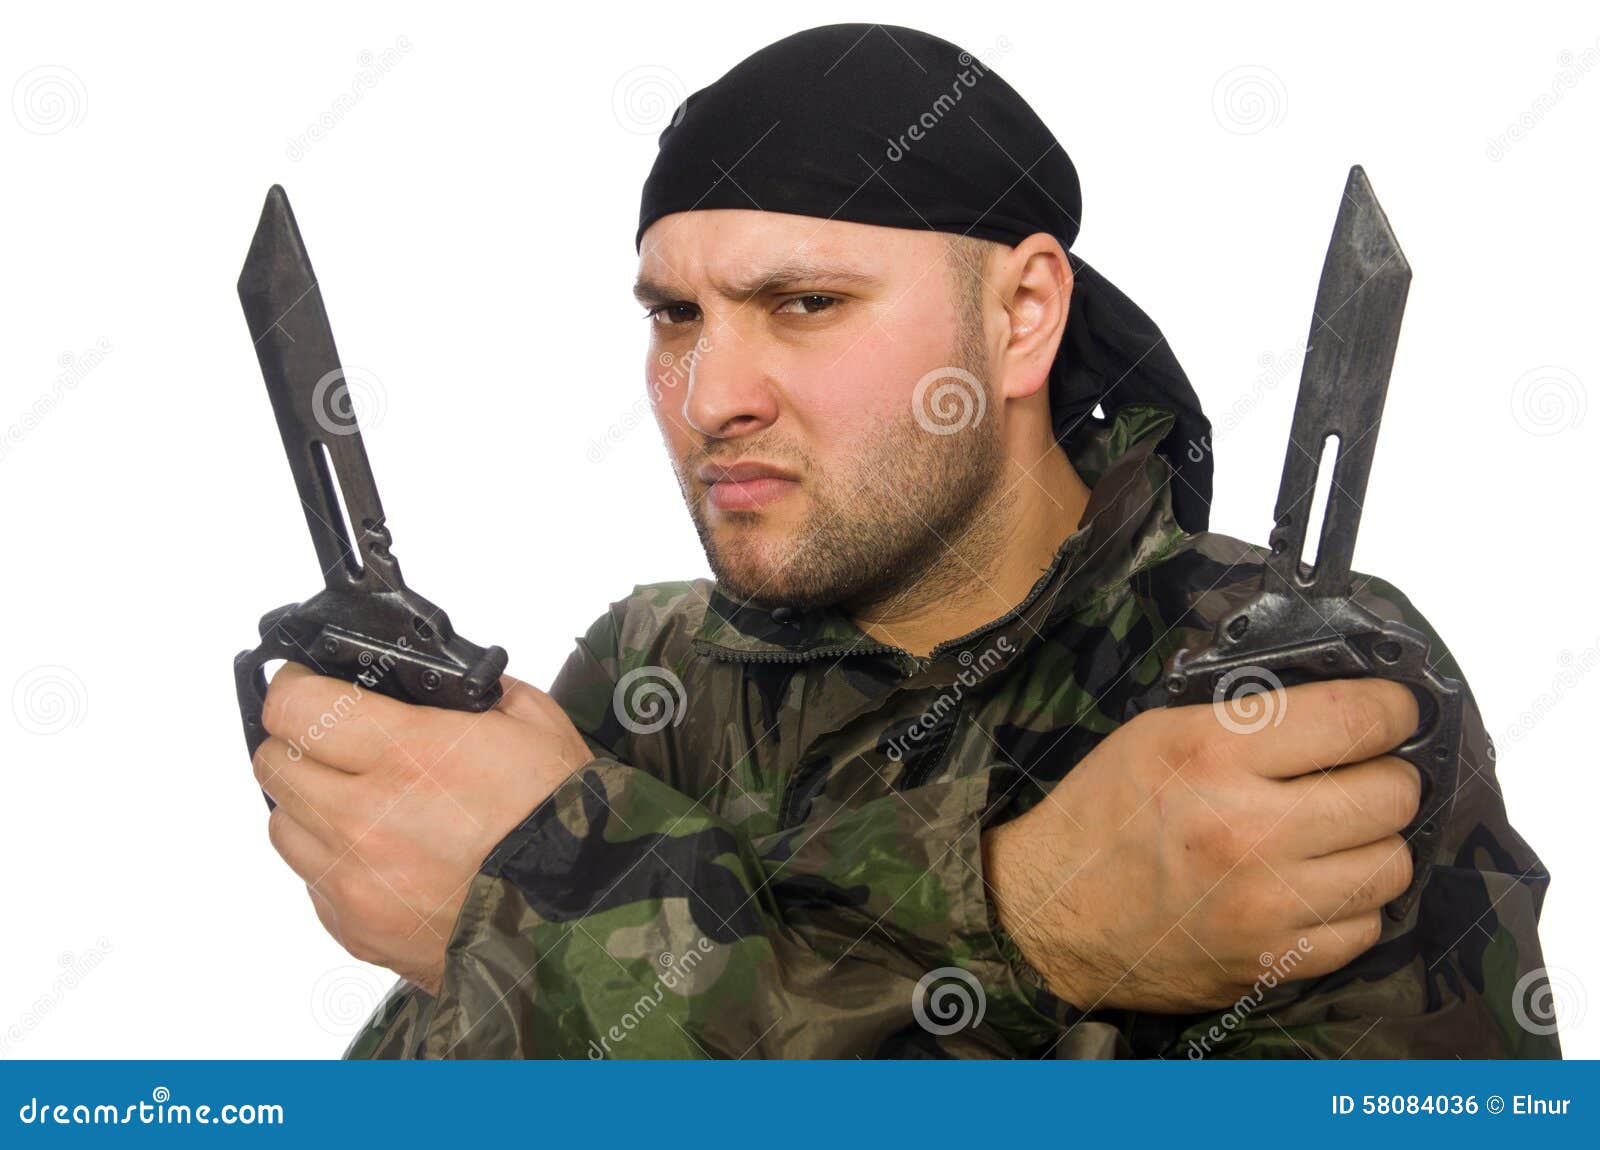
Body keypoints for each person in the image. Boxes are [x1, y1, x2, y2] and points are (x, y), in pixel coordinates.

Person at [251, 23, 1557, 1058]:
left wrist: (550, 901)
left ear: (1023, 315)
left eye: (805, 301)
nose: (711, 396)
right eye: (674, 315)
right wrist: (1027, 916)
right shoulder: (655, 667)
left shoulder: (1287, 690)